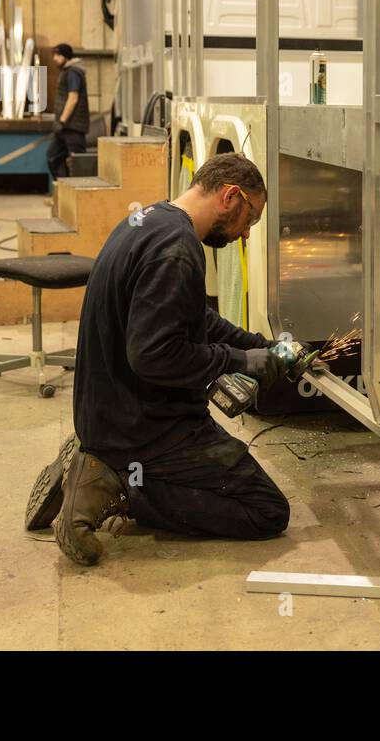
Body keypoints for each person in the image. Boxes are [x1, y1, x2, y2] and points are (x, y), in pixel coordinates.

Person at [24, 153, 291, 565]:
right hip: (147, 429)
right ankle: (113, 484)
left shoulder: (150, 221)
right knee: (266, 511)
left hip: (108, 412)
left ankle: (96, 459)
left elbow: (193, 317)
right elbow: (153, 355)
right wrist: (237, 361)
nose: (246, 236)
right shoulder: (178, 251)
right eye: (250, 219)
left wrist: (259, 346)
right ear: (231, 196)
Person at [48, 43, 90, 179]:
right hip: (65, 128)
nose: (55, 58)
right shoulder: (66, 71)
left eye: (58, 55)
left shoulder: (73, 72)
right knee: (53, 156)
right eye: (54, 55)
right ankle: (63, 192)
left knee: (78, 165)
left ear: (66, 56)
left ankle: (79, 197)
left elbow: (73, 98)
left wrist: (61, 121)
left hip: (73, 127)